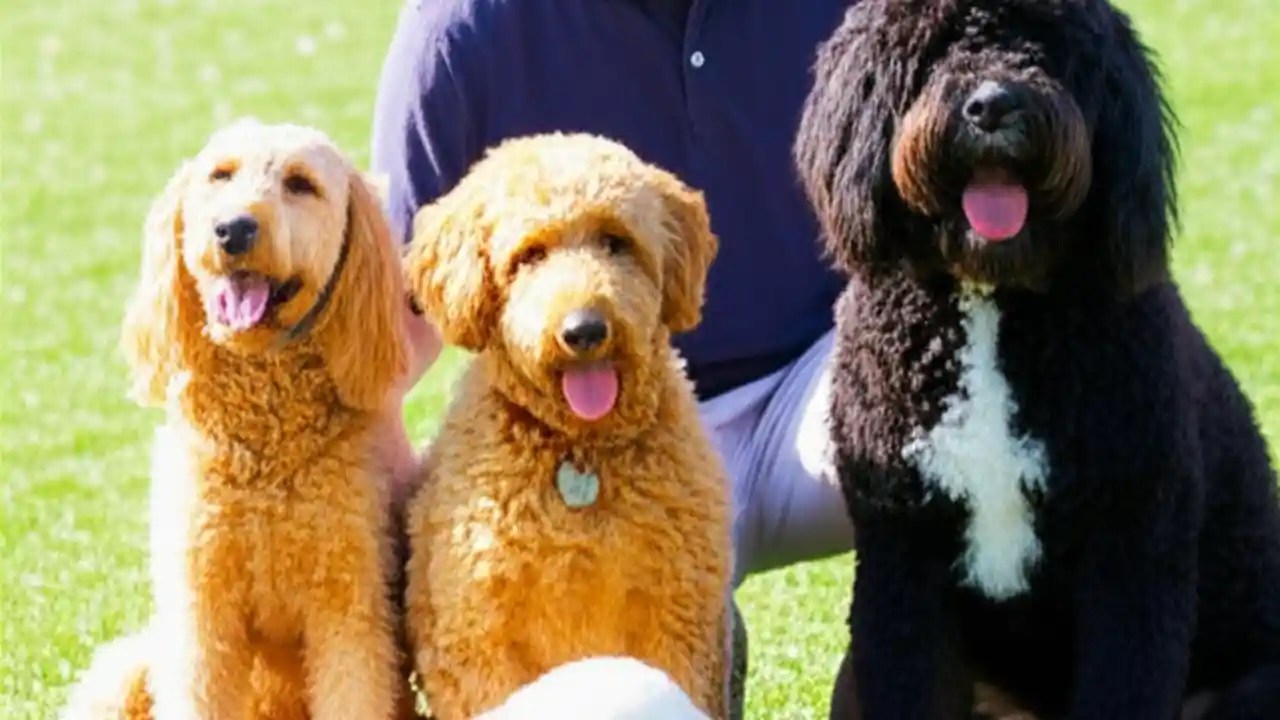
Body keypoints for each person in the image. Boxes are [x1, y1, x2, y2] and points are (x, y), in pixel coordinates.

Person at [370, 0, 857, 698]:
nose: (583, 299)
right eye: (532, 257)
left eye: (615, 244)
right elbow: (393, 329)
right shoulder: (462, 27)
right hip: (546, 435)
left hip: (794, 411)